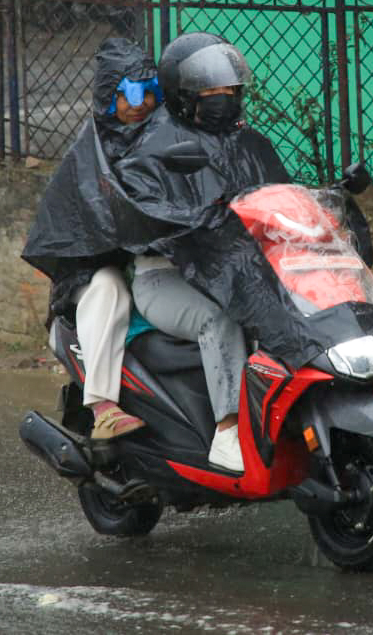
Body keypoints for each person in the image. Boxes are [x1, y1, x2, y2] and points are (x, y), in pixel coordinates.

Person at [126, 32, 290, 474]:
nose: (222, 99)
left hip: (231, 268)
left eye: (228, 91)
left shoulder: (249, 142)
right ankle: (228, 430)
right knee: (221, 318)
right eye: (210, 92)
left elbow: (281, 196)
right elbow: (148, 206)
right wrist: (196, 217)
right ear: (184, 96)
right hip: (167, 276)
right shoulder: (158, 142)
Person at [44, 38, 161, 439]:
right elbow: (82, 220)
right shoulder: (89, 152)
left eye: (150, 91)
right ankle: (104, 409)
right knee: (109, 289)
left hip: (156, 265)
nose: (142, 102)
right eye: (131, 93)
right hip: (92, 270)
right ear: (110, 96)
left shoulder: (165, 138)